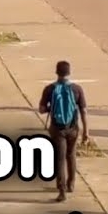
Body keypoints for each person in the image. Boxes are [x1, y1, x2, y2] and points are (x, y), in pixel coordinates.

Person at [38, 60, 88, 202]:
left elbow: (41, 109)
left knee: (59, 158)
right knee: (71, 155)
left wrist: (51, 108)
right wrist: (86, 131)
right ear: (69, 72)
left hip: (57, 129)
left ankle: (62, 191)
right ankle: (71, 184)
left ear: (57, 72)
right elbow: (83, 111)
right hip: (73, 128)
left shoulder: (50, 89)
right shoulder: (77, 89)